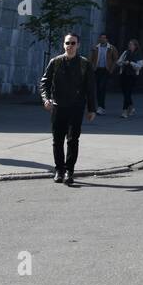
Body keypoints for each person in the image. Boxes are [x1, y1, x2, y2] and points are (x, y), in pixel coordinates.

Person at [39, 33, 96, 185]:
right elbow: (44, 83)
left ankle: (69, 171)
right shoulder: (55, 62)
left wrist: (92, 109)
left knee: (72, 140)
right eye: (67, 43)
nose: (69, 46)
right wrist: (46, 99)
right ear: (63, 44)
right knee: (57, 141)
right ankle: (59, 170)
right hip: (58, 107)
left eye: (73, 43)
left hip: (76, 107)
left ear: (78, 45)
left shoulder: (85, 64)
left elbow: (90, 88)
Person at [90, 33, 116, 115]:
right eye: (101, 38)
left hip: (106, 70)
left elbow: (115, 59)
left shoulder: (111, 48)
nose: (102, 39)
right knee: (98, 88)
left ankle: (101, 107)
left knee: (102, 87)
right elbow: (91, 58)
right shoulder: (96, 48)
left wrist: (111, 69)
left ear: (107, 39)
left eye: (104, 38)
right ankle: (100, 107)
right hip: (97, 70)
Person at [116, 39, 143, 118]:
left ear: (135, 46)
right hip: (124, 74)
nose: (129, 46)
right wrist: (123, 63)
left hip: (132, 76)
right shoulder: (125, 52)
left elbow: (140, 66)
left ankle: (124, 111)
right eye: (129, 44)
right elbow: (118, 62)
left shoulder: (138, 54)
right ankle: (131, 107)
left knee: (128, 92)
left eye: (131, 44)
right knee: (125, 93)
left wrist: (131, 63)